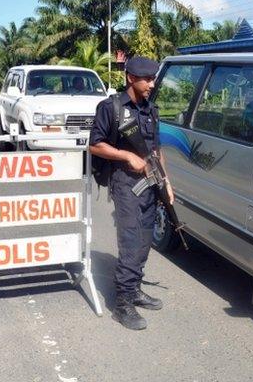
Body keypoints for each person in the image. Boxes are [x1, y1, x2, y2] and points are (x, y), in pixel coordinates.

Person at [89, 56, 172, 331]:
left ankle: (134, 289)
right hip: (125, 183)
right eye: (147, 79)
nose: (152, 84)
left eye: (153, 79)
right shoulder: (111, 107)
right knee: (131, 241)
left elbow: (157, 150)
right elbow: (95, 145)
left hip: (150, 183)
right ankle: (122, 304)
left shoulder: (151, 109)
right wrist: (126, 155)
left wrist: (166, 182)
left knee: (145, 239)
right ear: (131, 79)